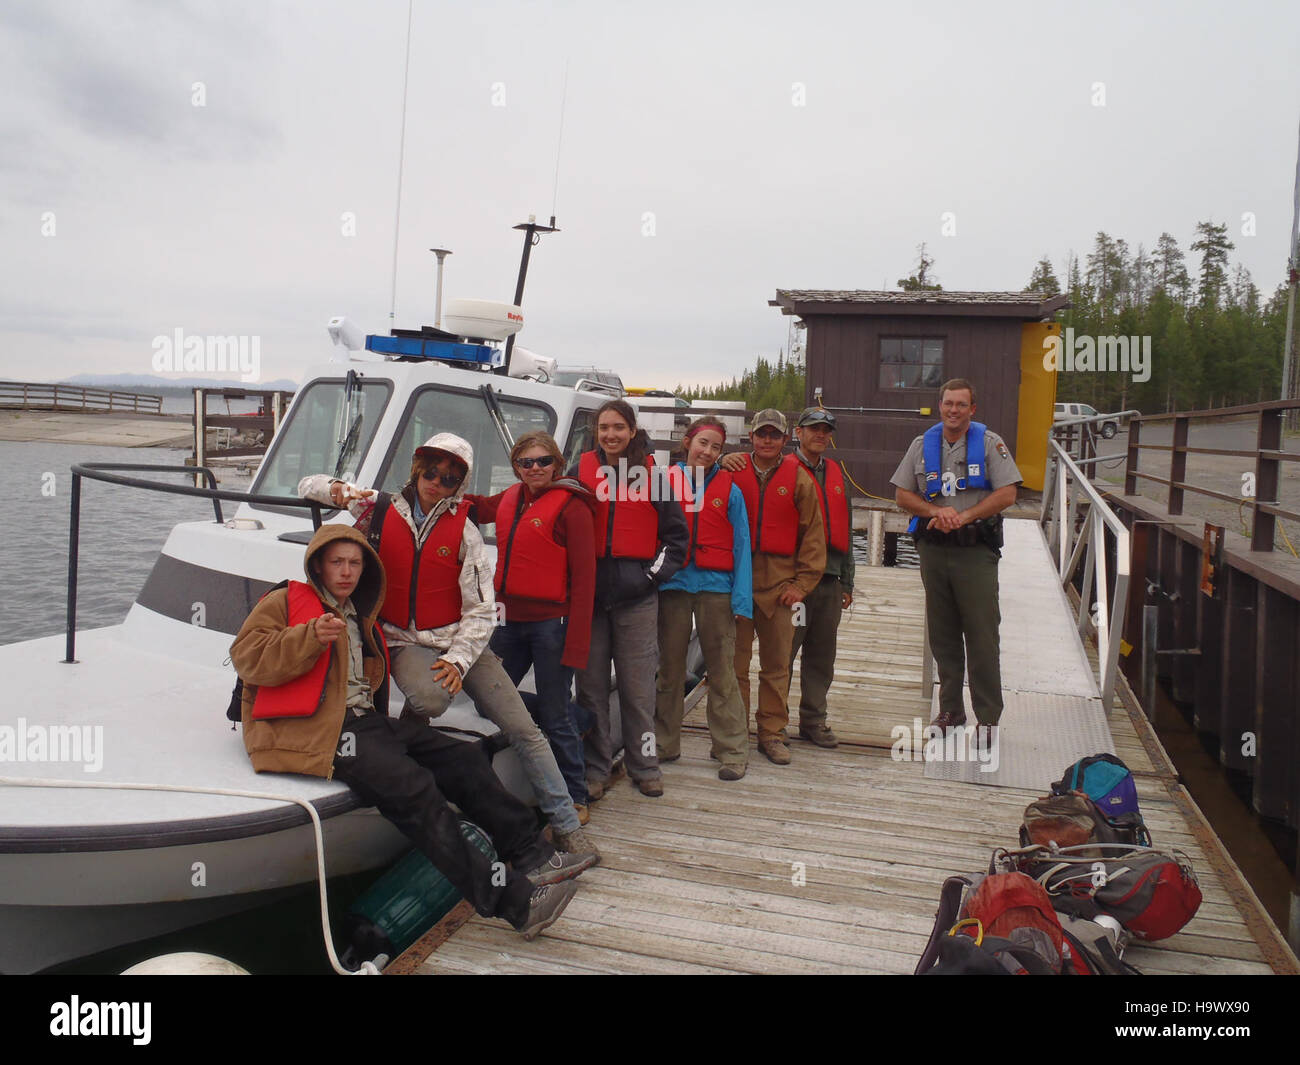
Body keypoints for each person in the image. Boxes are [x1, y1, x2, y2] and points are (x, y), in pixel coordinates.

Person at [230, 523, 592, 941]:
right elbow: (246, 658)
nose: (346, 571)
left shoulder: (355, 612)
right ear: (318, 566)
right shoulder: (285, 600)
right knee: (417, 793)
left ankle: (535, 856)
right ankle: (519, 905)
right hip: (316, 732)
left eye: (354, 563)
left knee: (461, 758)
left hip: (362, 723)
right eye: (336, 563)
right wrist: (307, 637)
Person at [298, 433, 595, 858]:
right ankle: (413, 763)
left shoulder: (466, 531)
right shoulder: (375, 507)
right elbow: (305, 485)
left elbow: (480, 609)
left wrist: (458, 659)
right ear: (418, 468)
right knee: (432, 699)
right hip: (404, 640)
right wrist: (338, 490)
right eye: (432, 471)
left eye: (451, 478)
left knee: (525, 730)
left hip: (460, 642)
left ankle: (567, 826)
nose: (438, 482)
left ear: (460, 485)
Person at [463, 431, 597, 824]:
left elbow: (586, 580)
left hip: (552, 625)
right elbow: (475, 507)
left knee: (554, 714)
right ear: (516, 467)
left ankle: (576, 794)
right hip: (510, 621)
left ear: (556, 464)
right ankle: (582, 720)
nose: (535, 468)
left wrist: (576, 643)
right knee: (487, 698)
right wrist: (434, 487)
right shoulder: (509, 498)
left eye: (543, 461)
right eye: (526, 462)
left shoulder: (573, 509)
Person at [891, 379, 1022, 747]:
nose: (953, 410)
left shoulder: (989, 444)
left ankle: (988, 719)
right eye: (948, 403)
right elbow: (902, 494)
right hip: (934, 551)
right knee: (943, 633)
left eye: (961, 404)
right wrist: (935, 511)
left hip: (974, 553)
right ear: (940, 405)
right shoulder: (921, 445)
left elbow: (1008, 493)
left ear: (972, 409)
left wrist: (964, 517)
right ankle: (951, 710)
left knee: (982, 635)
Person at [571, 399, 689, 799]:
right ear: (596, 432)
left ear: (632, 430)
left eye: (618, 427)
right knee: (590, 689)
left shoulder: (654, 477)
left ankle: (645, 764)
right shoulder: (580, 471)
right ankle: (596, 768)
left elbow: (677, 542)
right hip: (589, 600)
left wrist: (647, 579)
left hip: (636, 597)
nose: (610, 435)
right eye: (604, 427)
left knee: (639, 690)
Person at [720, 409, 826, 765]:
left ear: (785, 439)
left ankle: (771, 732)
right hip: (737, 581)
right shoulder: (731, 471)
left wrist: (803, 584)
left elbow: (814, 535)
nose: (767, 440)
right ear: (750, 436)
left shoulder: (799, 479)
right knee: (734, 666)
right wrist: (721, 457)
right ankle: (734, 732)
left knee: (777, 665)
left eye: (774, 435)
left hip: (780, 586)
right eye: (761, 434)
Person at [653, 416, 753, 781]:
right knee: (669, 671)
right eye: (703, 443)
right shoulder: (663, 482)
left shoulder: (731, 490)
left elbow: (742, 546)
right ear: (687, 442)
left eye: (715, 447)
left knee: (723, 672)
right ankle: (664, 744)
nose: (707, 452)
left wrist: (742, 601)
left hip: (716, 589)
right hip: (673, 587)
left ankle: (731, 751)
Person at [785, 407, 855, 748]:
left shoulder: (837, 474)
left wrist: (848, 581)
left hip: (830, 582)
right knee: (783, 654)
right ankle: (773, 721)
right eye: (814, 428)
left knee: (821, 657)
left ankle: (813, 720)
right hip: (795, 583)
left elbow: (848, 528)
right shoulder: (784, 471)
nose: (820, 434)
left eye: (826, 430)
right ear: (798, 432)